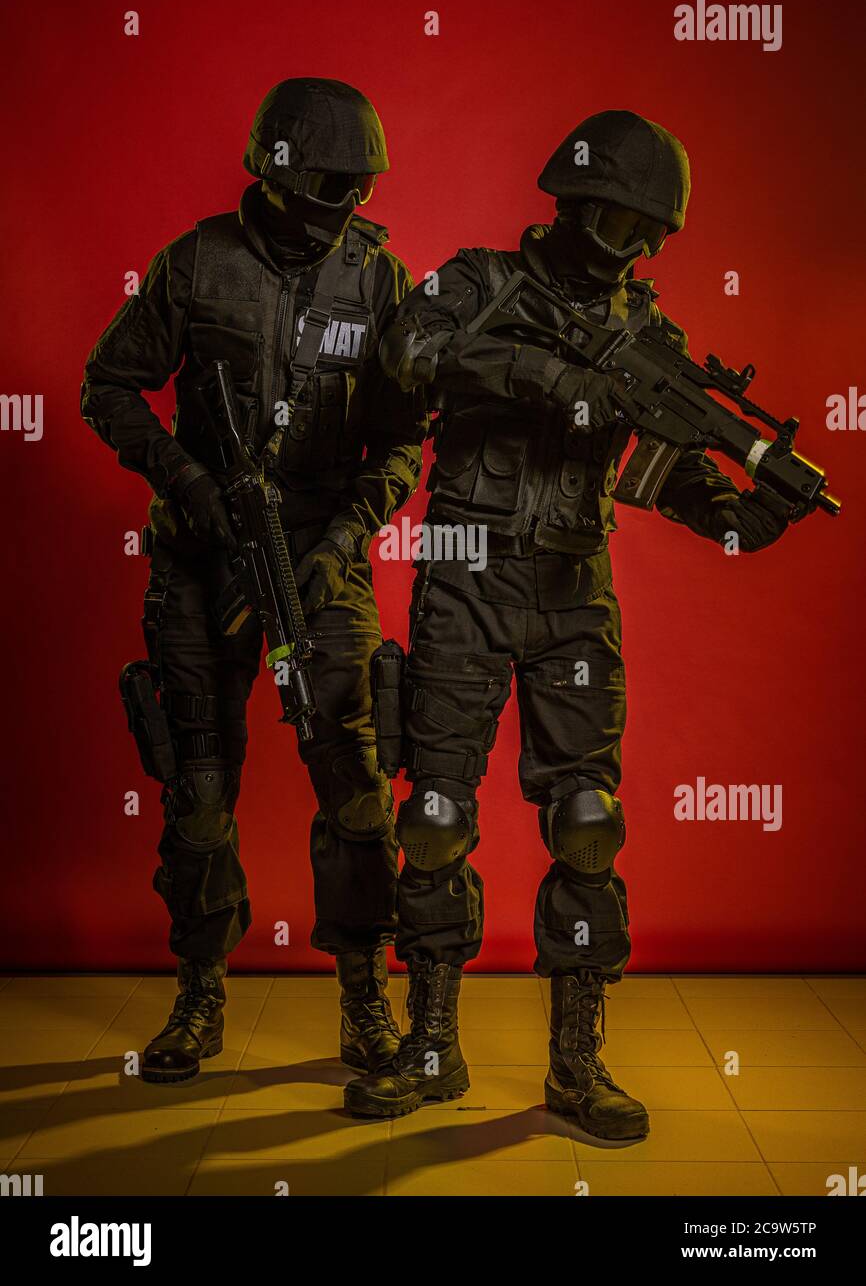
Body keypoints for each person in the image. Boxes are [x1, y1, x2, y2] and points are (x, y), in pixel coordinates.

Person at [344, 110, 806, 1140]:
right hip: (463, 567)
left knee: (587, 822)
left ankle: (573, 1063)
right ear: (576, 200)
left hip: (571, 587)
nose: (636, 249)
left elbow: (668, 466)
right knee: (434, 819)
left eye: (653, 234)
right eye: (623, 222)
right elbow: (402, 354)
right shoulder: (474, 282)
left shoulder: (650, 337)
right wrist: (549, 378)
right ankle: (429, 1045)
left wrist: (734, 515)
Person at [82, 78, 426, 1083]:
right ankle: (200, 992)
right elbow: (107, 385)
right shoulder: (196, 262)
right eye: (332, 183)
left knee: (358, 791)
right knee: (195, 790)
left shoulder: (378, 279)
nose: (350, 203)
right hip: (198, 558)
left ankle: (365, 995)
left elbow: (405, 436)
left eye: (362, 186)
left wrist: (348, 532)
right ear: (276, 175)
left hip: (320, 560)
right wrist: (188, 483)